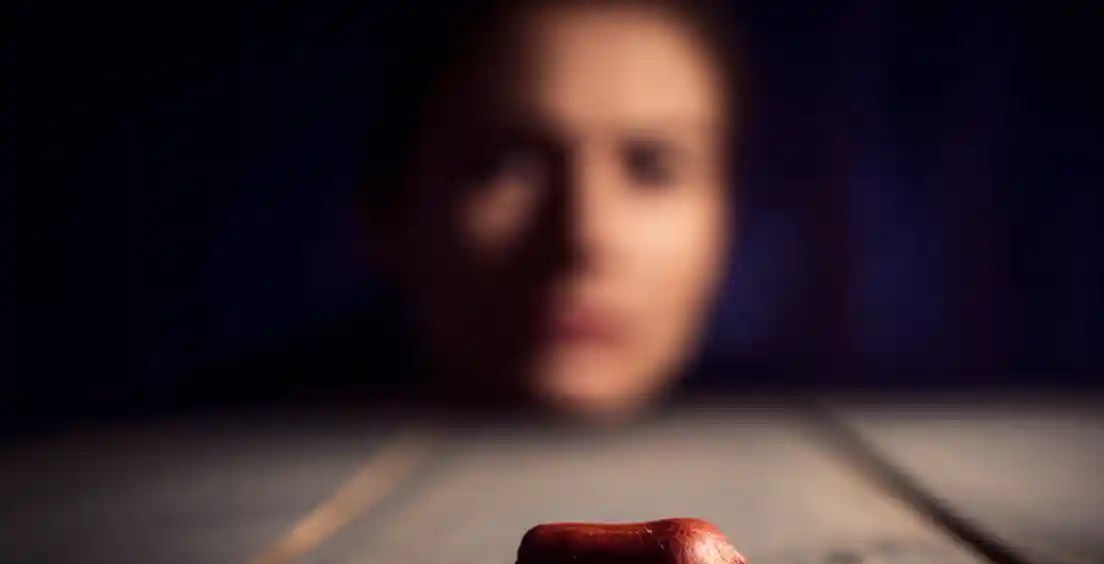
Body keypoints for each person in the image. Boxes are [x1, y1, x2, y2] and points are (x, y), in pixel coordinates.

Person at [191, 0, 744, 422]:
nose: (584, 236)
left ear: (727, 216)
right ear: (387, 206)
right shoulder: (192, 442)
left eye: (655, 168)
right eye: (506, 165)